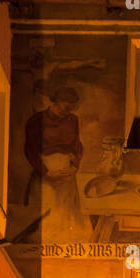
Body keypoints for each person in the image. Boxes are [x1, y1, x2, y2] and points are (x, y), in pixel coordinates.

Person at [23, 87, 90, 240]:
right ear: (56, 101)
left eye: (71, 108)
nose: (68, 112)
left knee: (68, 214)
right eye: (66, 107)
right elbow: (30, 150)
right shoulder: (36, 121)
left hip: (66, 174)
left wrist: (75, 165)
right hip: (46, 172)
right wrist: (46, 172)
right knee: (49, 215)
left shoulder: (72, 120)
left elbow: (77, 145)